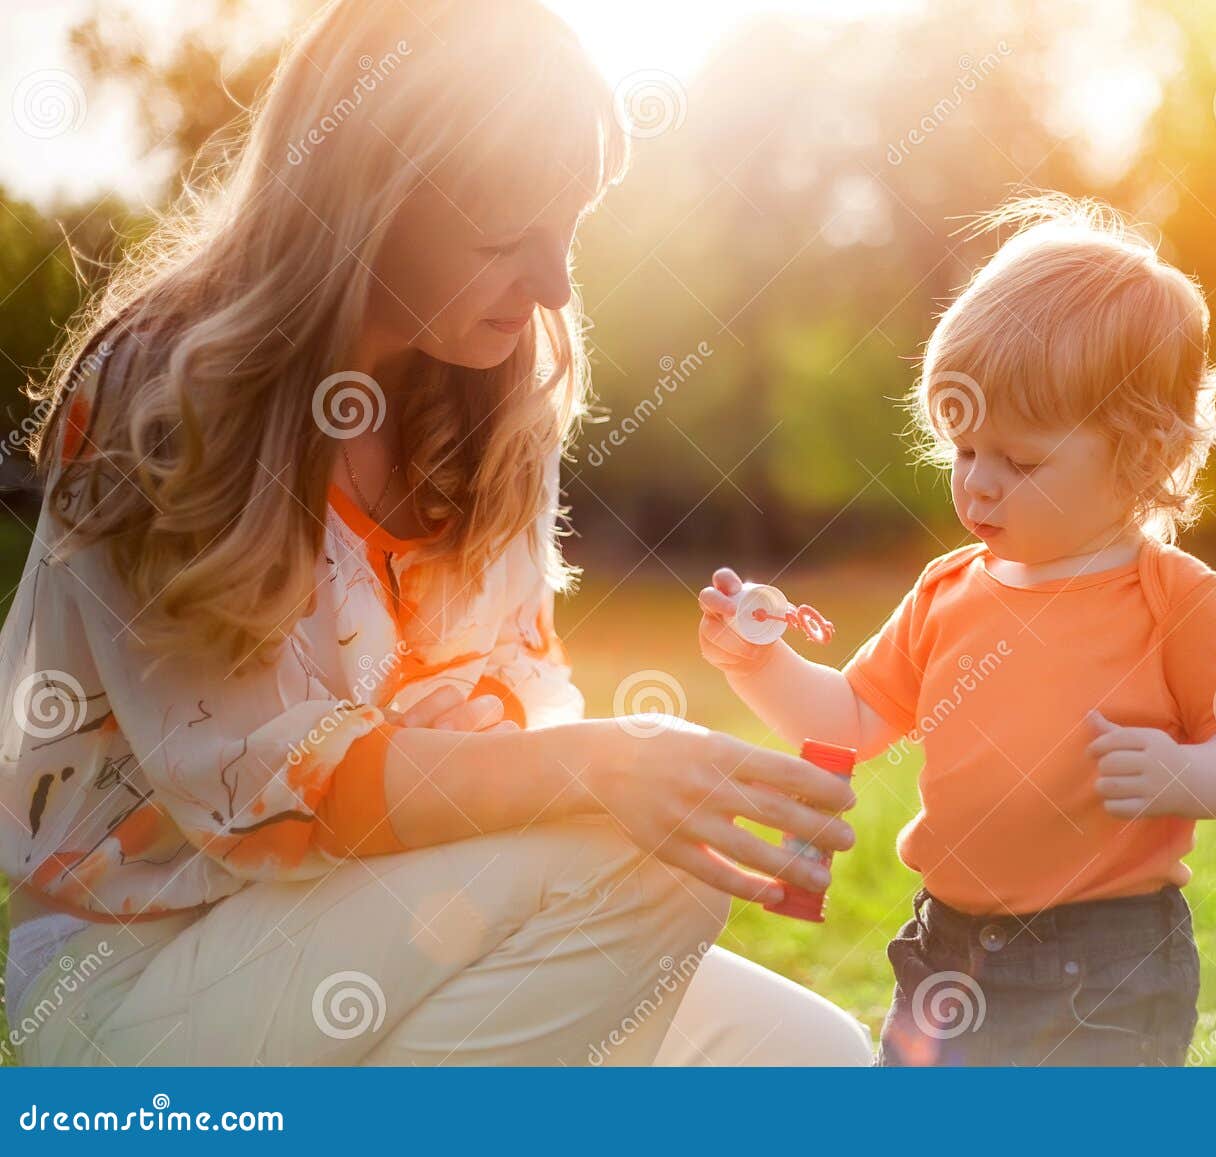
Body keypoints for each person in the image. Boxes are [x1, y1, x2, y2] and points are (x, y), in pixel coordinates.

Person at [0, 0, 872, 1067]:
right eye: (505, 238)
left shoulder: (497, 384)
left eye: (571, 224)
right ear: (368, 204)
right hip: (142, 972)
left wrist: (585, 765)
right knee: (637, 869)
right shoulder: (170, 390)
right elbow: (258, 795)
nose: (554, 284)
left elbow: (511, 696)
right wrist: (598, 764)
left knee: (816, 1062)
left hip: (382, 913)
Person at [698, 195, 1216, 1066]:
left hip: (1108, 963)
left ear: (1144, 457)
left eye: (1018, 460)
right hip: (947, 950)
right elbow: (851, 719)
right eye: (964, 450)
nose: (977, 483)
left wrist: (1189, 772)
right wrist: (758, 661)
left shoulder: (1173, 597)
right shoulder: (947, 591)